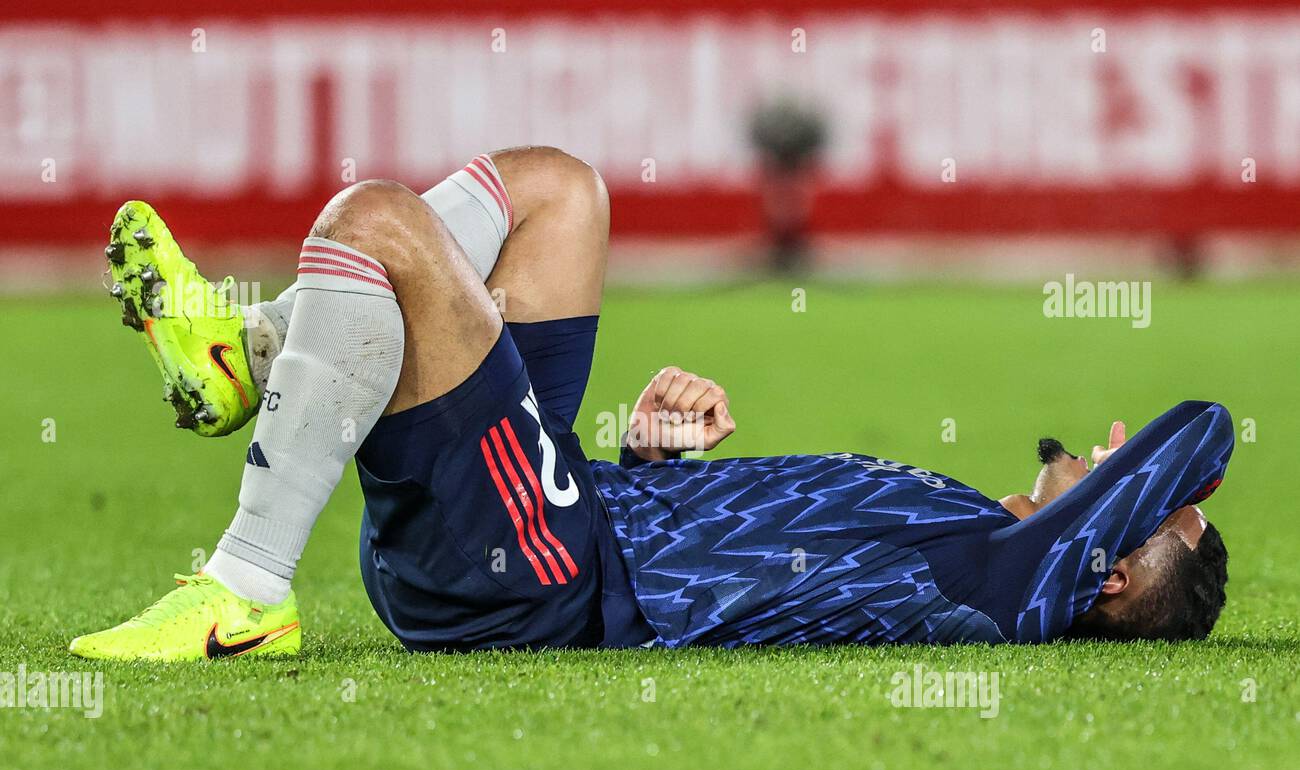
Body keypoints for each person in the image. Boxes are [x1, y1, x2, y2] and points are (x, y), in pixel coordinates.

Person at [69, 147, 1231, 660]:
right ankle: (254, 352)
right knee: (558, 194)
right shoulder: (964, 521)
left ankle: (245, 586)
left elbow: (1204, 422)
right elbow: (761, 572)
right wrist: (653, 457)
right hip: (581, 512)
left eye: (1153, 503)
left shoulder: (1008, 581)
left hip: (538, 576)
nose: (1122, 455)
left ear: (1109, 573)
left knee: (377, 225)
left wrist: (1188, 481)